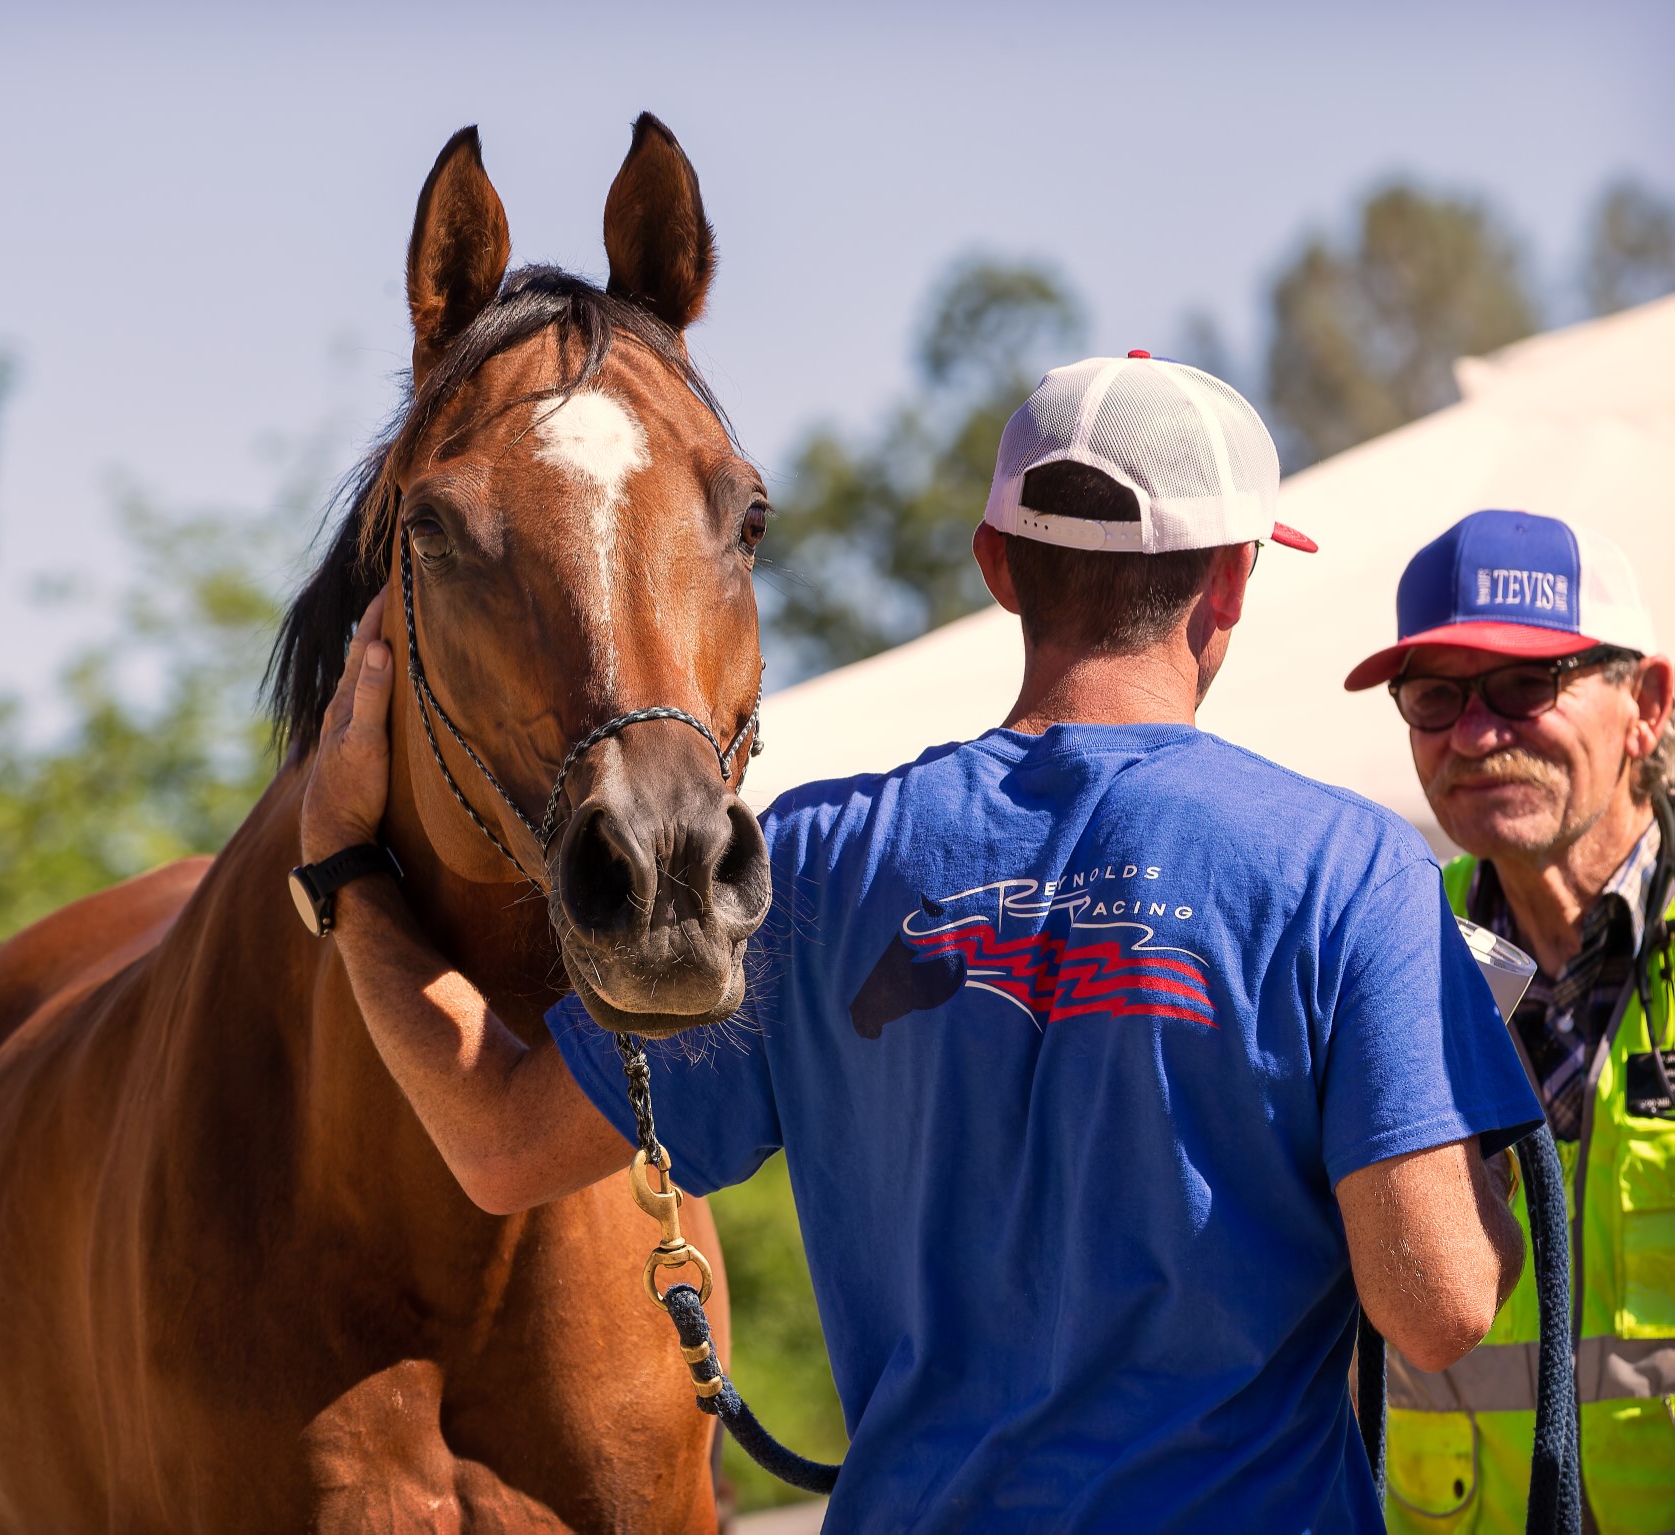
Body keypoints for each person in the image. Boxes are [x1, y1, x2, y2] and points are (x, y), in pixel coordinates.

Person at [301, 355, 1542, 1532]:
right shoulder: (1346, 870)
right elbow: (1435, 1310)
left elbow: (502, 1141)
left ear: (999, 566)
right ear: (1229, 583)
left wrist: (349, 869)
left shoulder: (819, 864)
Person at [1346, 510, 1675, 1535]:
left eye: (1525, 685)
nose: (1475, 733)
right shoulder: (1374, 957)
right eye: (1436, 695)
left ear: (1647, 704)